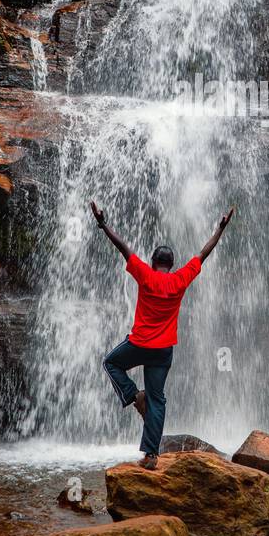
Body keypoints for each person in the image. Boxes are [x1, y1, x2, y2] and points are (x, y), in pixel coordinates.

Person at [90, 200, 234, 469]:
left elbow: (124, 249)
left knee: (110, 362)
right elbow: (203, 254)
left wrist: (103, 224)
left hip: (140, 344)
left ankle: (134, 396)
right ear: (172, 264)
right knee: (158, 400)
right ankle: (152, 455)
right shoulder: (180, 279)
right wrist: (220, 230)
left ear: (154, 262)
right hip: (163, 349)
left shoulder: (145, 274)